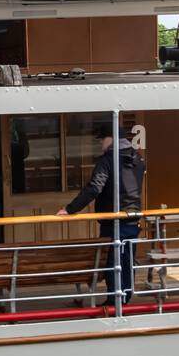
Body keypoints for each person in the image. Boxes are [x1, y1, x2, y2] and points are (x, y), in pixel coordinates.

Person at [57, 124, 147, 308]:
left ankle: (115, 300)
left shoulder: (107, 161)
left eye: (102, 140)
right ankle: (126, 298)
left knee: (112, 262)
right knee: (128, 261)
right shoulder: (137, 159)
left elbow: (94, 188)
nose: (100, 144)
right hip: (133, 218)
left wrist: (70, 209)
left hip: (113, 221)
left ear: (111, 139)